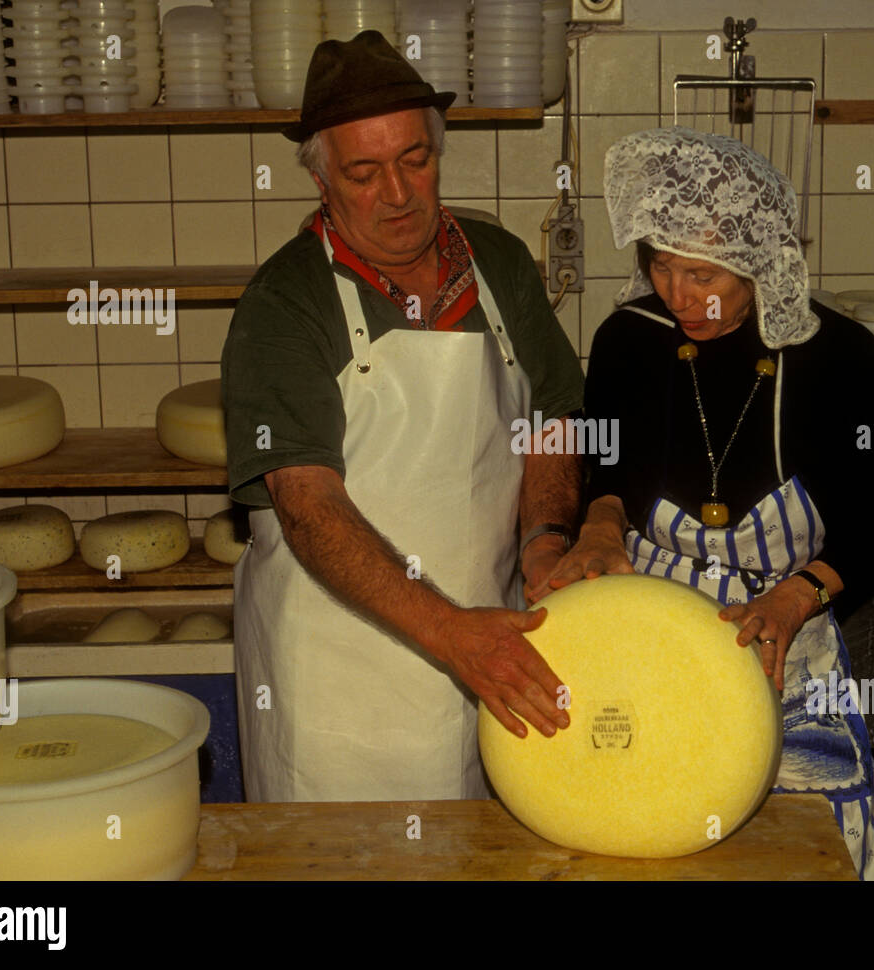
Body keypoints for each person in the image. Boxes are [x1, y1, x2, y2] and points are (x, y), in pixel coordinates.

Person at [529, 127, 874, 880]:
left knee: (811, 854)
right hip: (650, 651)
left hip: (785, 655)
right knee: (645, 843)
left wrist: (796, 597)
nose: (680, 295)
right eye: (662, 266)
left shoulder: (843, 361)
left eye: (704, 272)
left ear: (760, 259)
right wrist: (600, 526)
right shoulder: (626, 343)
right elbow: (608, 466)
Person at [221, 33, 585, 803]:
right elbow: (309, 508)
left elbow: (552, 418)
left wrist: (545, 542)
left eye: (414, 161)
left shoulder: (500, 266)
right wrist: (452, 635)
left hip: (492, 652)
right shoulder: (284, 304)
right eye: (364, 172)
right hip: (337, 685)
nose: (397, 193)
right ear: (322, 180)